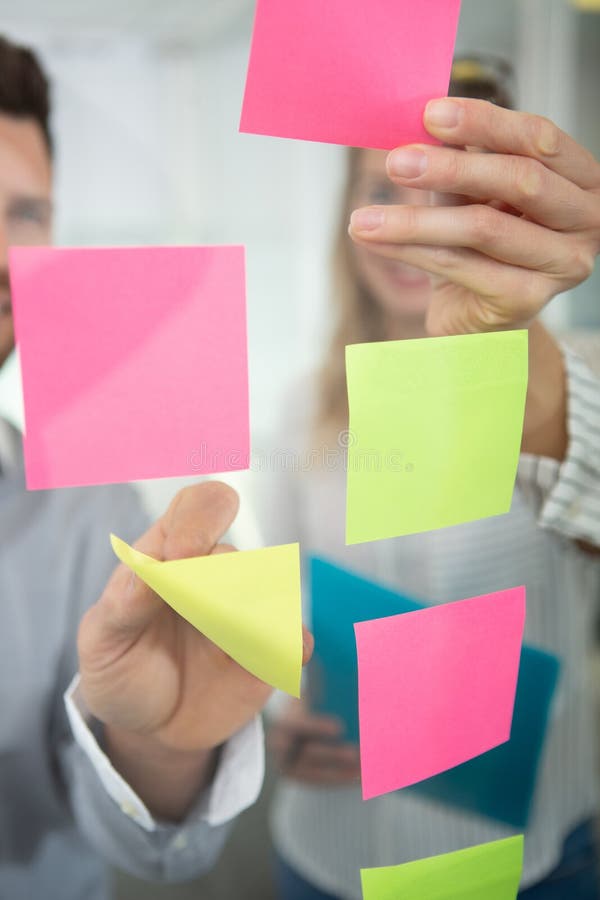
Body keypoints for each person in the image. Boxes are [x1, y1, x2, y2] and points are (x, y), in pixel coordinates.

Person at [265, 57, 600, 899]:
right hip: (334, 851)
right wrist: (275, 717)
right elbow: (283, 606)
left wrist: (523, 358)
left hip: (532, 856)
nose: (419, 228)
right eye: (389, 186)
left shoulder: (574, 380)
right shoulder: (304, 404)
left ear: (513, 214)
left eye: (455, 197)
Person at [0, 34, 312, 900]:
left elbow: (154, 850)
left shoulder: (94, 511)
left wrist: (160, 742)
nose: (1, 253)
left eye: (24, 213)